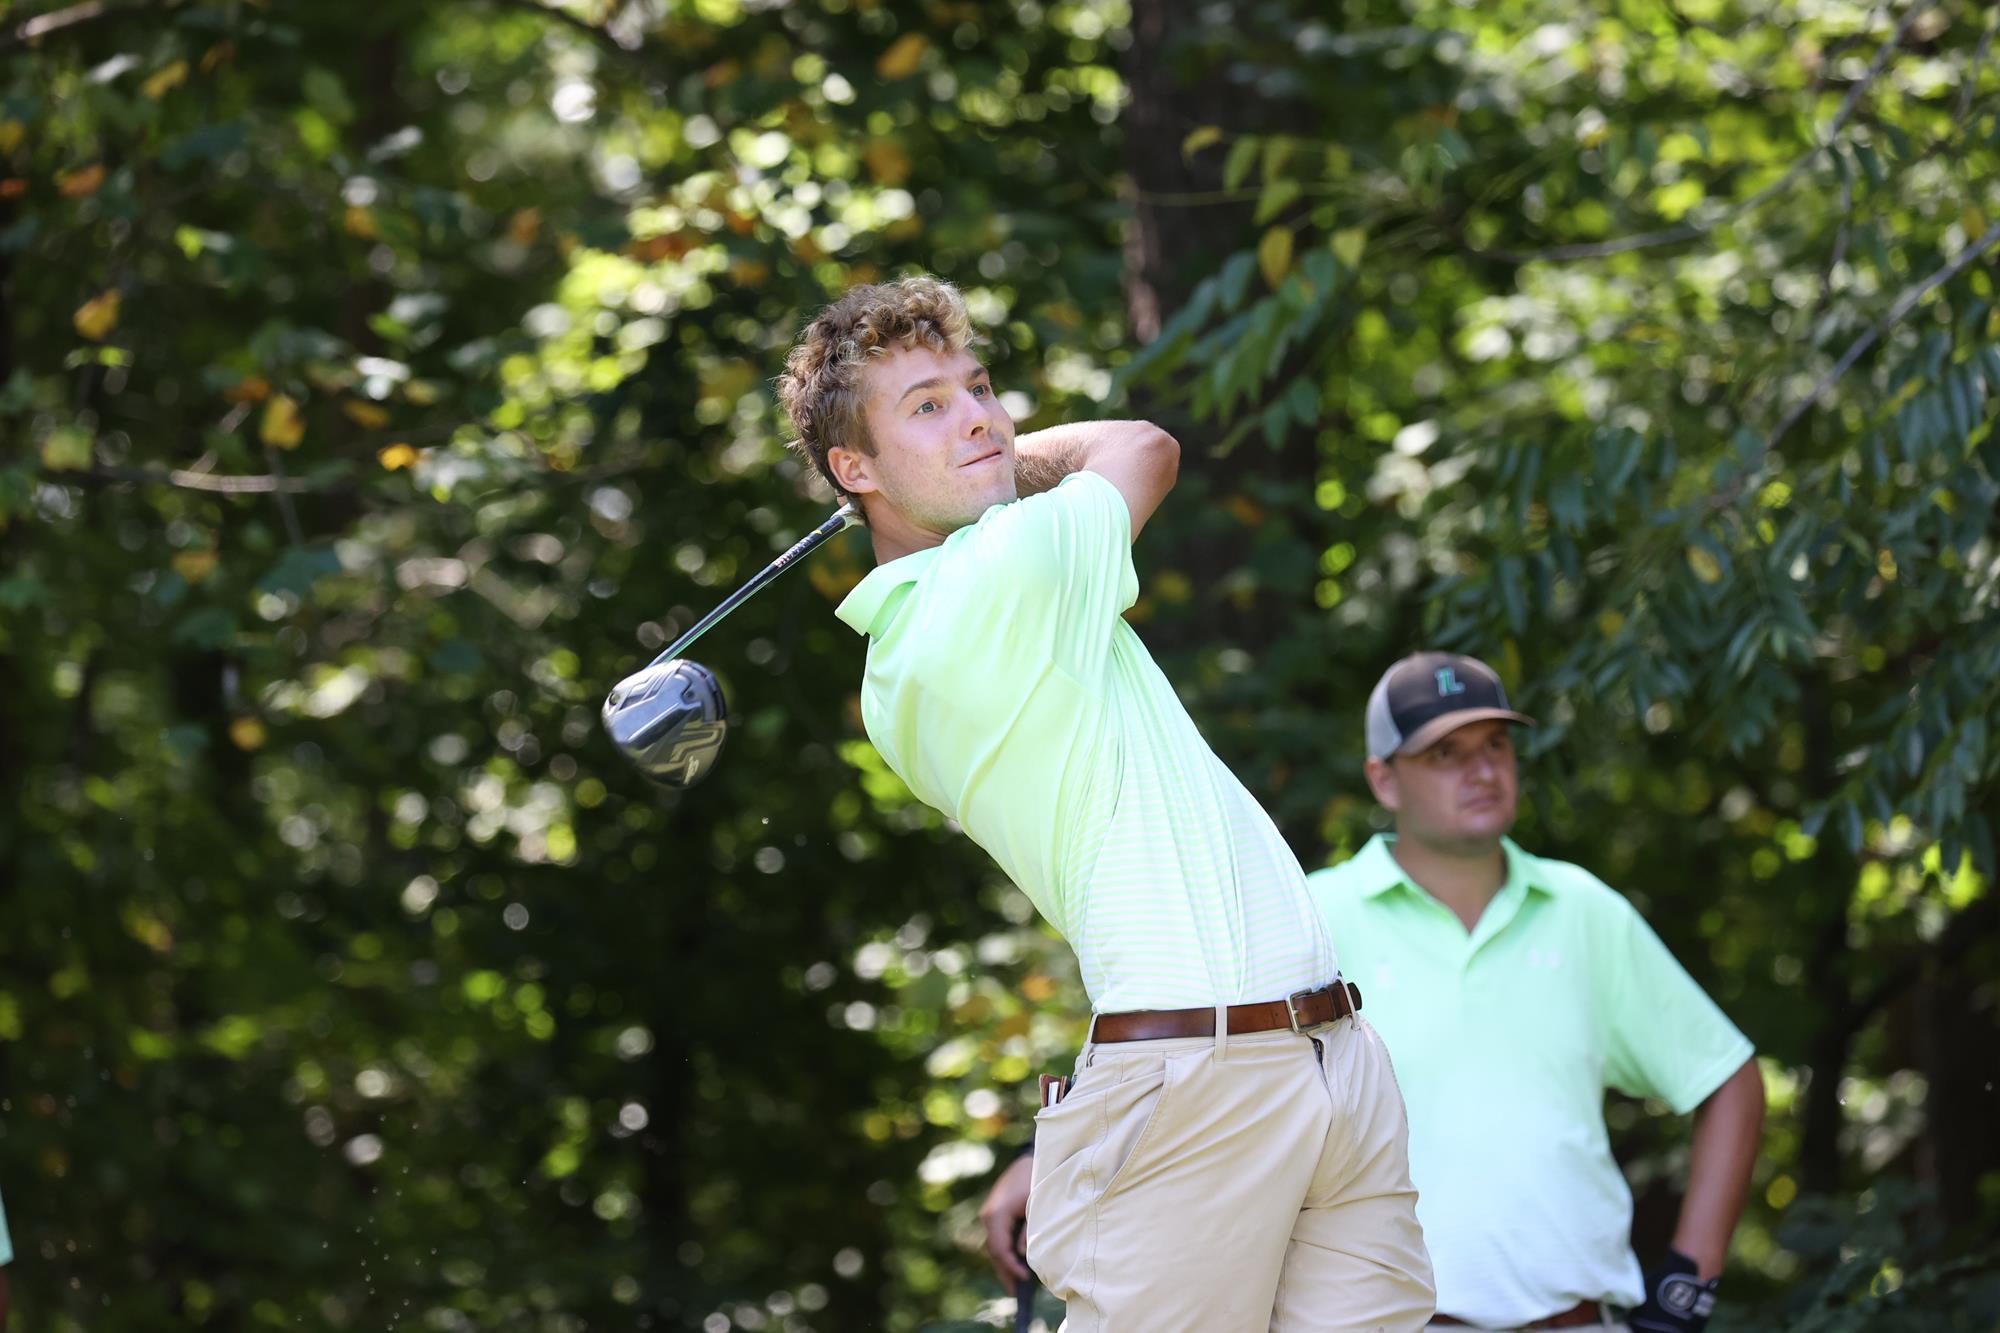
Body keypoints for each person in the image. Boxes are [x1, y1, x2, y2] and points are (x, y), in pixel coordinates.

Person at [779, 275, 1434, 1331]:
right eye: (928, 407)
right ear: (852, 470)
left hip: (1326, 1054)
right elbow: (1139, 445)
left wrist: (962, 459)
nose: (981, 416)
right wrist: (1005, 461)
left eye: (979, 386)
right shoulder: (984, 585)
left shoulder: (977, 591)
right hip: (1194, 1079)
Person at [981, 652, 1764, 1333]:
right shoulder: (1304, 915)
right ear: (1382, 779)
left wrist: (1688, 1283)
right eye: (1445, 752)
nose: (1482, 768)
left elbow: (1727, 1077)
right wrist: (1037, 1155)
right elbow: (1183, 1043)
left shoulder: (1587, 911)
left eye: (1495, 744)